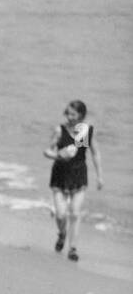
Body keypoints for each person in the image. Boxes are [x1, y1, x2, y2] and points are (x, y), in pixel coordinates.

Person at [46, 100, 103, 263]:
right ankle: (62, 233)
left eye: (73, 114)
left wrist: (99, 176)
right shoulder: (60, 130)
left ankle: (72, 248)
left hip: (78, 175)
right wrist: (58, 155)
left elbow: (95, 153)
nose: (69, 117)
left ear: (81, 116)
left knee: (75, 213)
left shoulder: (84, 131)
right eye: (68, 113)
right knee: (61, 214)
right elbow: (48, 151)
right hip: (60, 175)